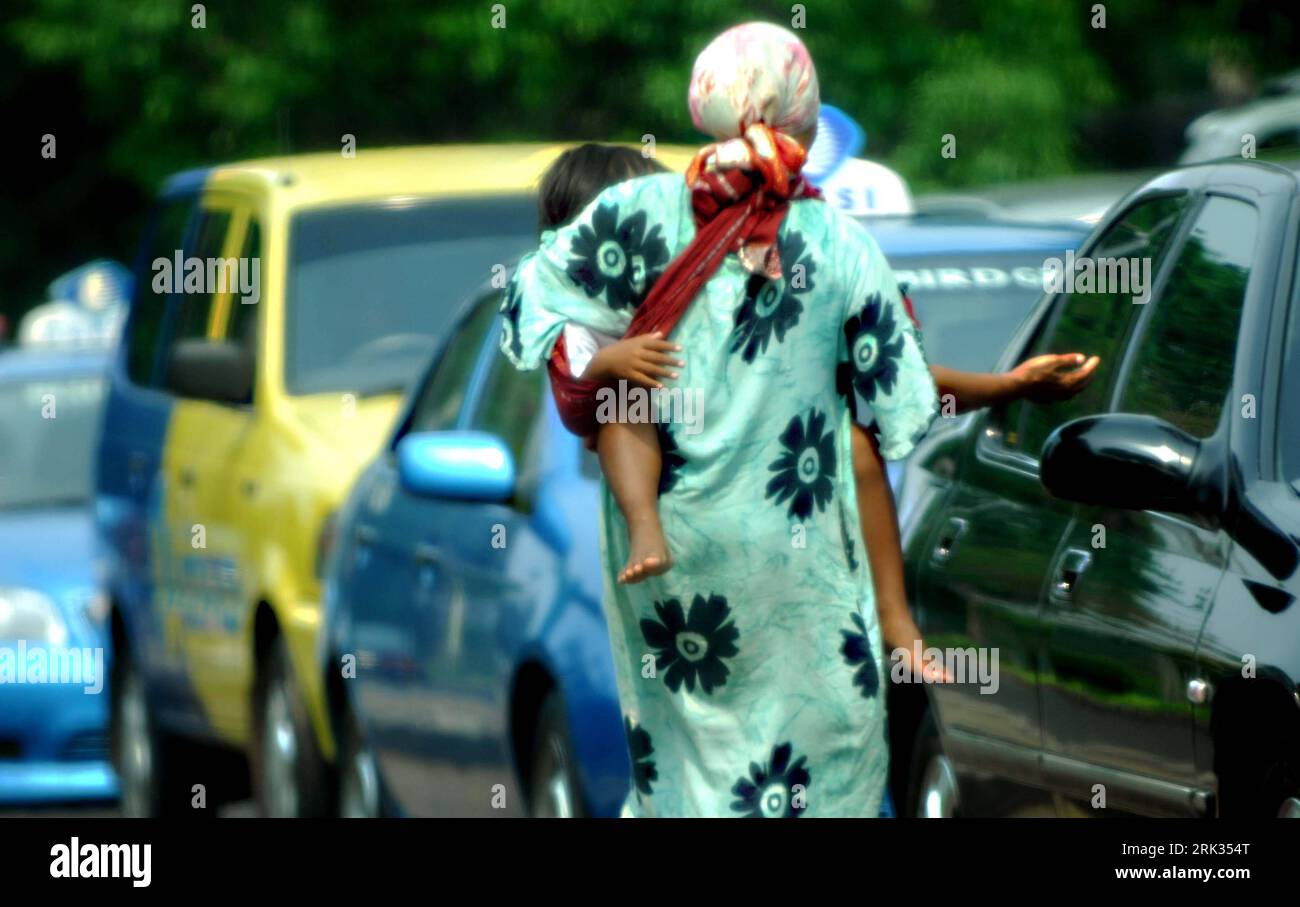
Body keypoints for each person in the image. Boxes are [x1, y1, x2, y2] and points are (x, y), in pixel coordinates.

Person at [499, 22, 1078, 817]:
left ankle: (648, 530)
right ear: (803, 114)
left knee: (690, 770)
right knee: (824, 767)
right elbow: (898, 389)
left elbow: (535, 293)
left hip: (678, 562)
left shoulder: (634, 212)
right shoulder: (841, 245)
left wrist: (603, 362)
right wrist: (1008, 386)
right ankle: (887, 648)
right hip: (802, 570)